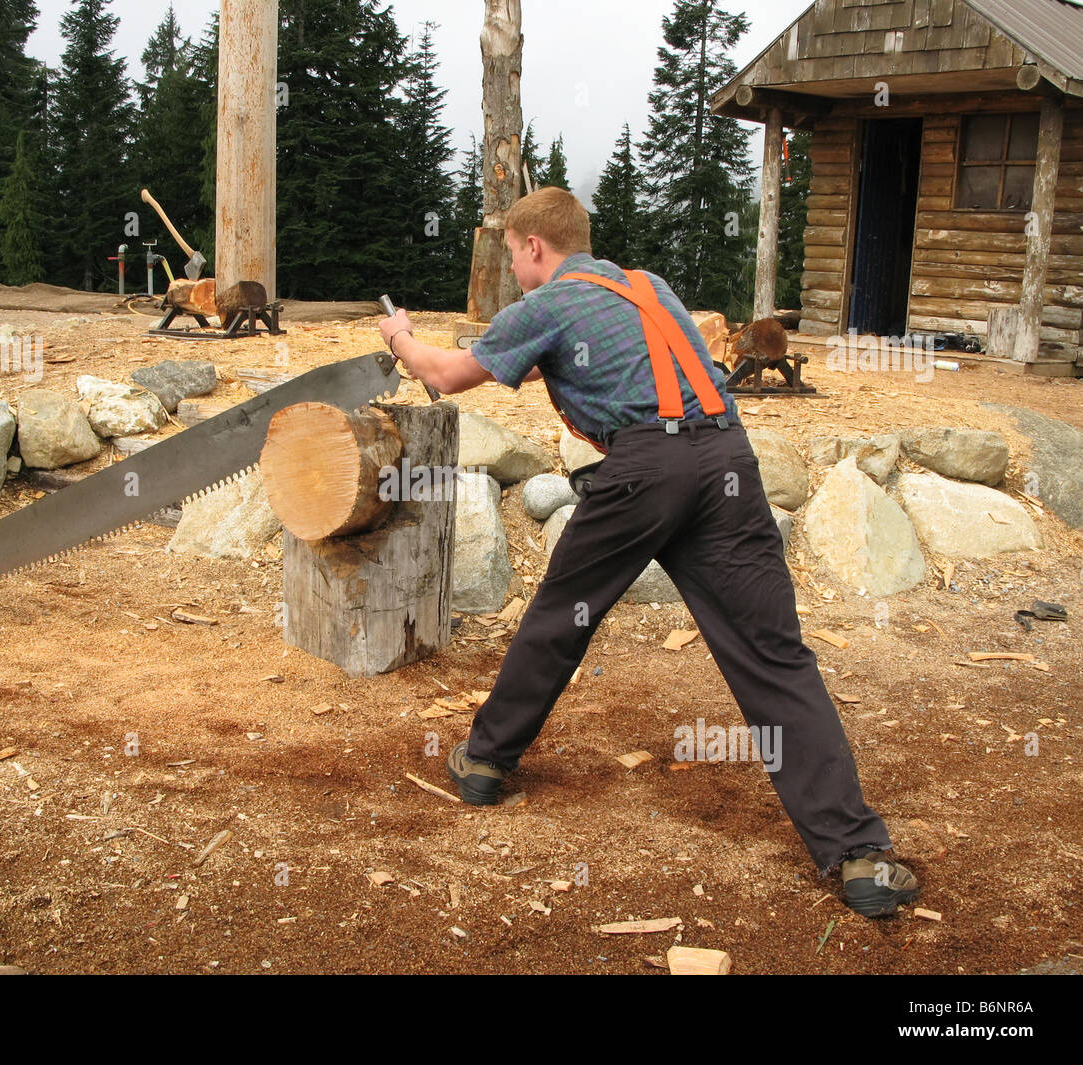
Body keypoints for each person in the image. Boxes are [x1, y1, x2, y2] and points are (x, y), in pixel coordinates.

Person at [378, 186, 920, 918]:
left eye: (511, 253)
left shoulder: (542, 305)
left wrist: (401, 338)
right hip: (727, 461)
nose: (512, 267)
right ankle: (858, 855)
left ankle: (482, 761)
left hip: (644, 471)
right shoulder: (648, 287)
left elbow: (443, 376)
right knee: (775, 655)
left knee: (559, 619)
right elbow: (604, 361)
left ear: (533, 246)